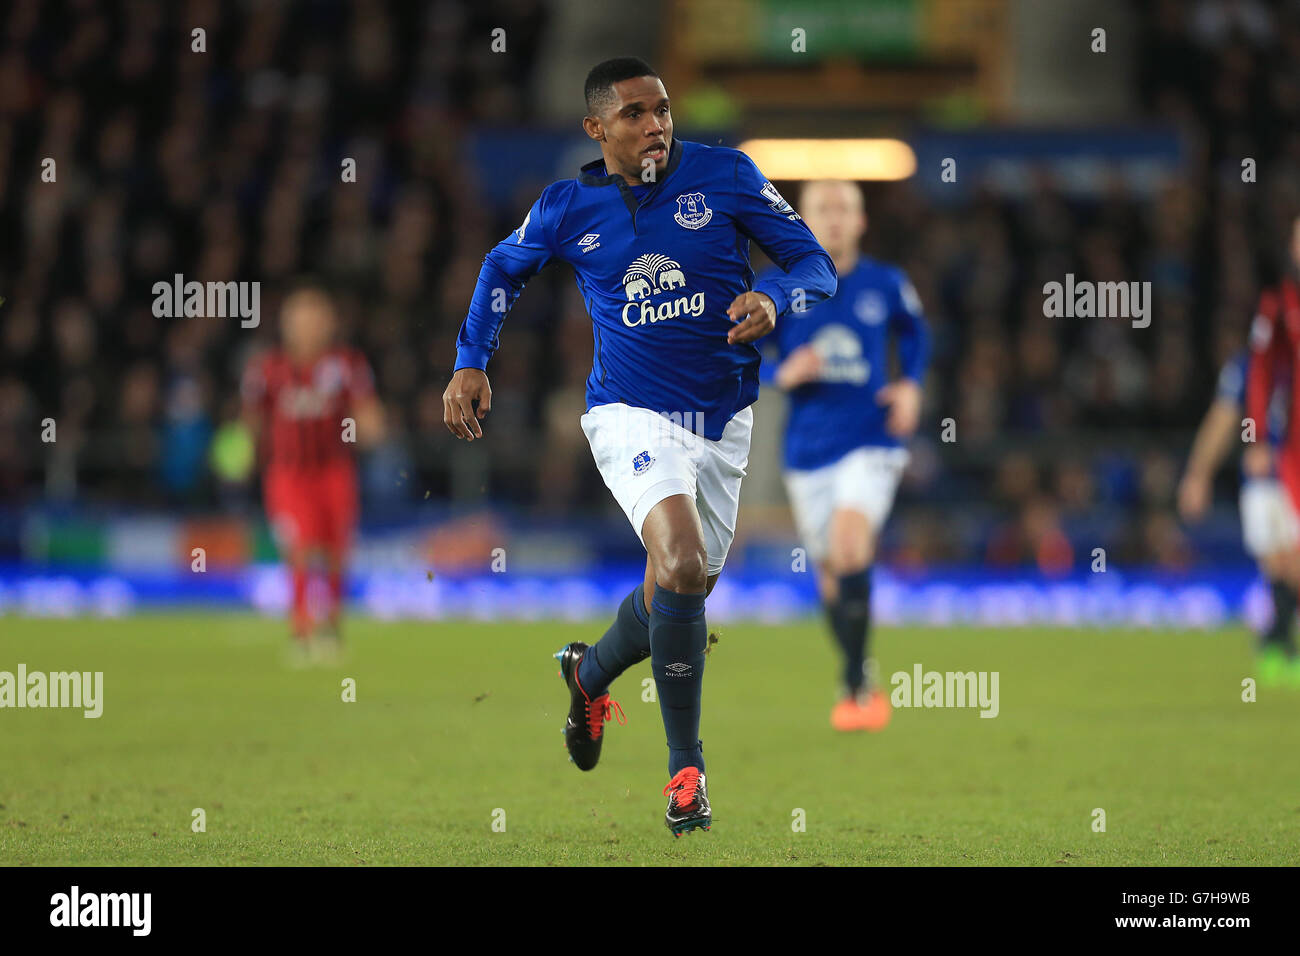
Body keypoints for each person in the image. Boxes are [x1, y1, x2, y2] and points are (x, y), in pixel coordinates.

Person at [443, 57, 836, 835]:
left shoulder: (727, 176)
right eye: (634, 114)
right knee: (683, 563)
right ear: (597, 128)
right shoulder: (567, 206)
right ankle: (685, 774)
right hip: (629, 413)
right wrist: (469, 360)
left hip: (724, 419)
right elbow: (501, 268)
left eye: (662, 110)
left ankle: (586, 677)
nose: (655, 124)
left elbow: (815, 264)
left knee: (677, 591)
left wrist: (774, 295)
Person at [761, 180, 929, 730]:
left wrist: (912, 385)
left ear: (861, 222)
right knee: (833, 571)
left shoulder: (886, 283)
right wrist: (779, 373)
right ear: (802, 221)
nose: (833, 219)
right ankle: (858, 678)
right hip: (808, 450)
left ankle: (856, 686)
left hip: (873, 439)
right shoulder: (778, 289)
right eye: (821, 210)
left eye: (843, 209)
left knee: (849, 541)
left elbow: (916, 334)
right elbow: (731, 354)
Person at [242, 283, 384, 660]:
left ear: (329, 324)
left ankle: (331, 625)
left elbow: (367, 410)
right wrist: (241, 450)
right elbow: (252, 418)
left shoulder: (347, 364)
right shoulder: (268, 368)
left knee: (336, 550)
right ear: (286, 325)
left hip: (334, 471)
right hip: (289, 474)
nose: (307, 328)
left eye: (315, 320)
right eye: (299, 320)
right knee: (301, 547)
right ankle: (302, 628)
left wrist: (370, 427)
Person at [1179, 348, 1298, 684]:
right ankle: (1279, 645)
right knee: (1277, 562)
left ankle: (1275, 641)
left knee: (1292, 564)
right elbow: (1222, 418)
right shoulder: (1247, 366)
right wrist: (1198, 473)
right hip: (1263, 481)